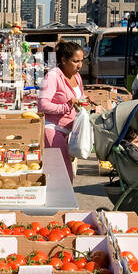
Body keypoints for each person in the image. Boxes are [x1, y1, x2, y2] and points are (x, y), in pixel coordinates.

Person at [38, 40, 90, 178]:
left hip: (70, 132)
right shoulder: (53, 76)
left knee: (65, 175)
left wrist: (86, 102)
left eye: (81, 61)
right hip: (53, 130)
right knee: (62, 175)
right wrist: (66, 106)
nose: (79, 65)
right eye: (75, 61)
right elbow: (42, 105)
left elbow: (79, 97)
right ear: (63, 60)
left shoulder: (77, 76)